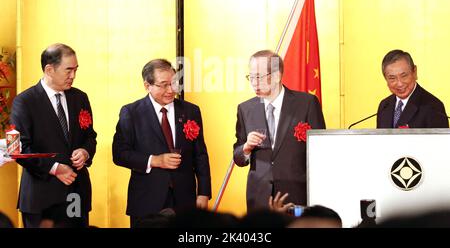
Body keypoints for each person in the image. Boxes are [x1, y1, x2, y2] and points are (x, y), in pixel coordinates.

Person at [112, 59, 211, 228]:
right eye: (163, 85)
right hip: (146, 201)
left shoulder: (190, 111)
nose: (171, 90)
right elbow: (120, 154)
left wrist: (203, 192)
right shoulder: (131, 113)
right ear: (147, 85)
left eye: (174, 83)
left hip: (184, 200)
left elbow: (200, 155)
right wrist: (154, 160)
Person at [10, 43, 97, 228]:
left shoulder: (80, 97)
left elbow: (90, 136)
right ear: (49, 69)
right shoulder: (24, 101)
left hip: (76, 193)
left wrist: (85, 152)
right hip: (41, 197)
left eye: (76, 70)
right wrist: (55, 168)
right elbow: (16, 149)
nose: (73, 76)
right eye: (68, 70)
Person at [233, 50, 326, 212]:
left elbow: (321, 152)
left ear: (276, 76)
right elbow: (238, 157)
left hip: (296, 196)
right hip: (259, 198)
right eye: (251, 78)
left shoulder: (306, 104)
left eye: (259, 77)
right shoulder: (245, 109)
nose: (254, 83)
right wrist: (246, 148)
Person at [377, 49, 449, 128]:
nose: (399, 84)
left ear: (414, 72)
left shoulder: (433, 106)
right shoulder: (384, 105)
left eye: (404, 76)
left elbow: (440, 140)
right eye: (392, 78)